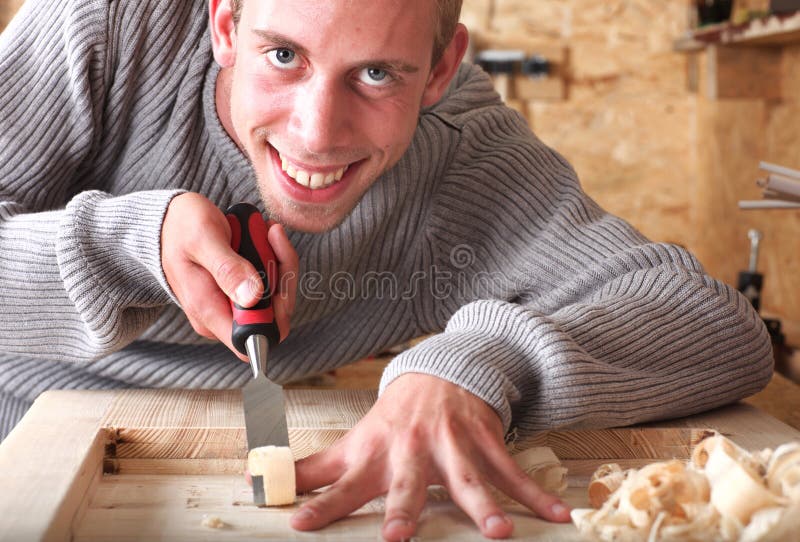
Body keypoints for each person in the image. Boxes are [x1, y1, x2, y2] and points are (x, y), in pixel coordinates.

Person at [0, 0, 772, 539]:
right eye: (283, 55)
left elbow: (715, 326)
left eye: (377, 76)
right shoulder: (105, 21)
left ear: (440, 71)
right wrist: (127, 244)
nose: (316, 135)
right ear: (225, 25)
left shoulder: (465, 153)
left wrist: (473, 364)